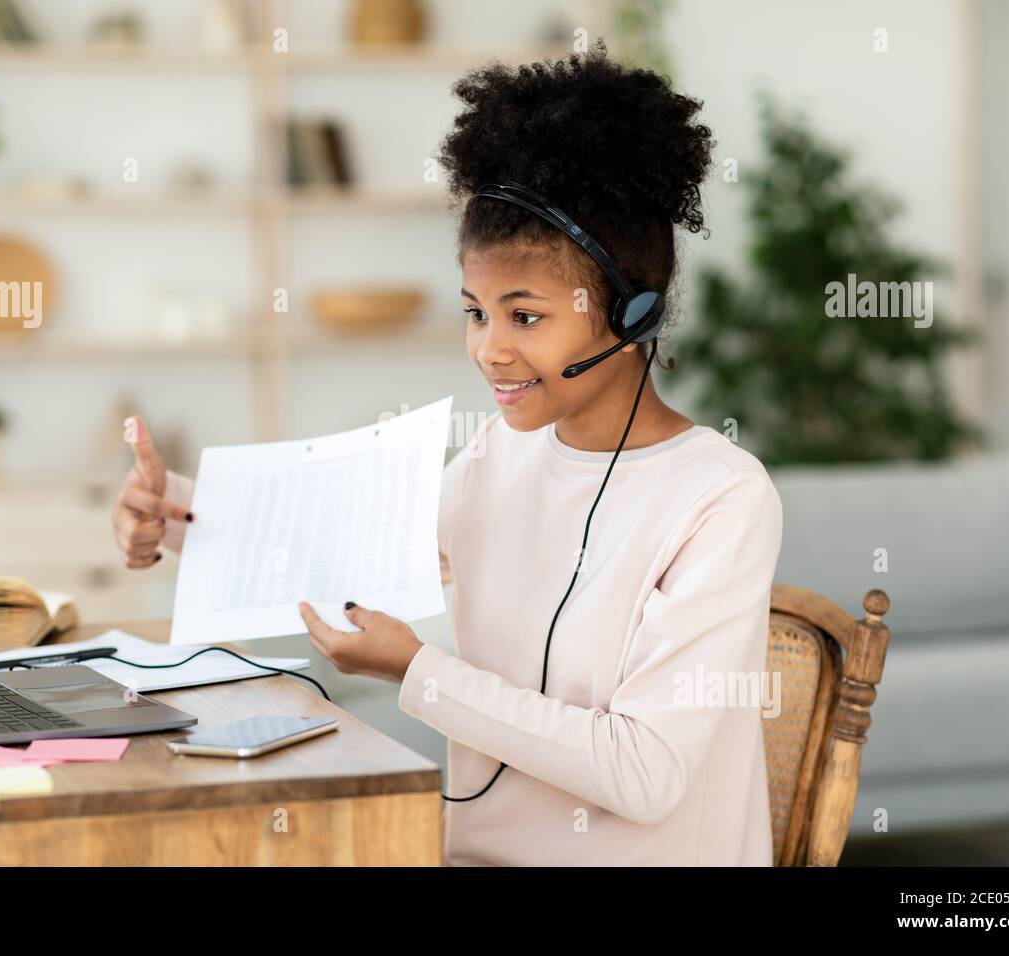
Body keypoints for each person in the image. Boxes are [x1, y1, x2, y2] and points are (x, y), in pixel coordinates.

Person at [110, 40, 782, 866]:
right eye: (476, 312)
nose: (488, 350)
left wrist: (418, 670)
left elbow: (645, 772)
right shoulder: (502, 453)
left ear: (633, 316)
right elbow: (337, 552)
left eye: (525, 317)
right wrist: (174, 510)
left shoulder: (721, 498)